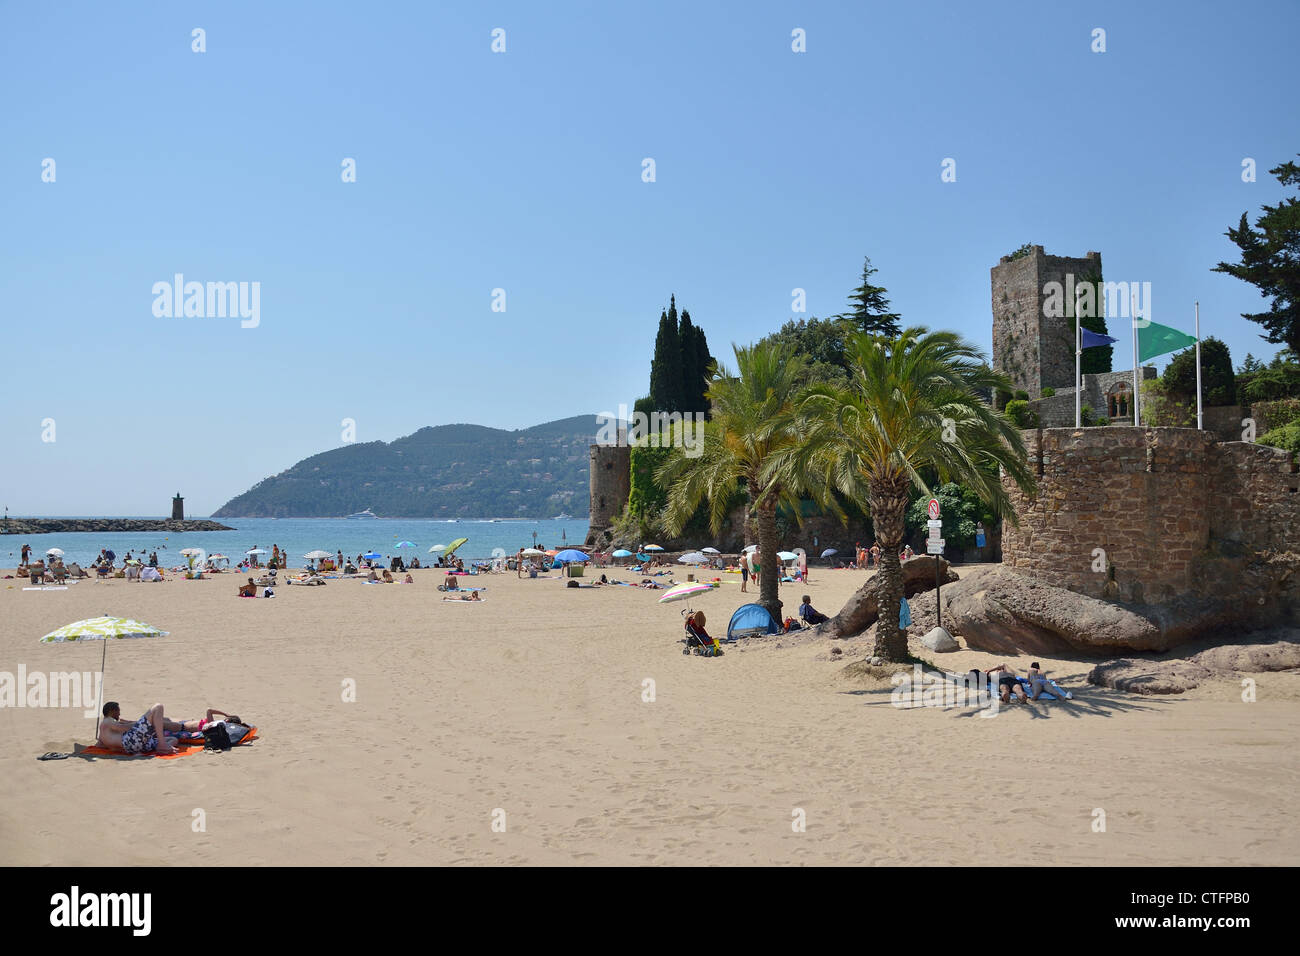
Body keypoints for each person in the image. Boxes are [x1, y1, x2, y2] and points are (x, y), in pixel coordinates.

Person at [96, 703, 178, 755]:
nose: (119, 714)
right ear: (112, 711)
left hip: (132, 748)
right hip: (130, 742)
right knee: (158, 707)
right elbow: (125, 728)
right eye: (118, 711)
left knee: (173, 739)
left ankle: (160, 747)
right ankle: (162, 745)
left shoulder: (102, 731)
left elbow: (99, 745)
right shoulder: (108, 720)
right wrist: (136, 722)